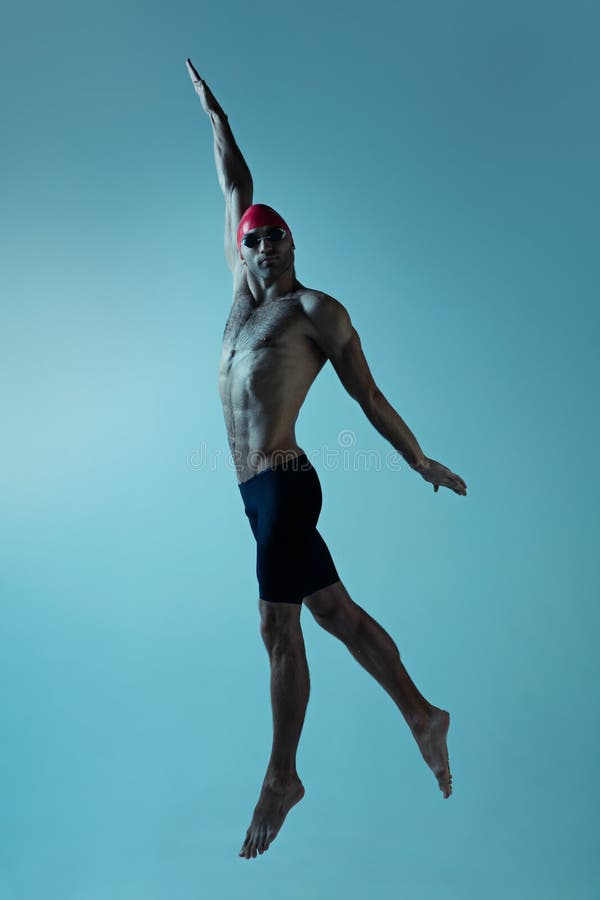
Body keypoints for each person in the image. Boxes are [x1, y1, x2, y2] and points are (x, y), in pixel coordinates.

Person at [186, 58, 468, 861]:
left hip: (284, 484)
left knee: (279, 628)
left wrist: (419, 462)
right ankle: (422, 713)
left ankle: (282, 775)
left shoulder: (316, 311)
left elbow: (370, 399)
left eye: (275, 236)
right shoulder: (241, 302)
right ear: (243, 254)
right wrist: (216, 115)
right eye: (253, 240)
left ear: (293, 243)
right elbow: (235, 184)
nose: (263, 244)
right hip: (254, 496)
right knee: (333, 614)